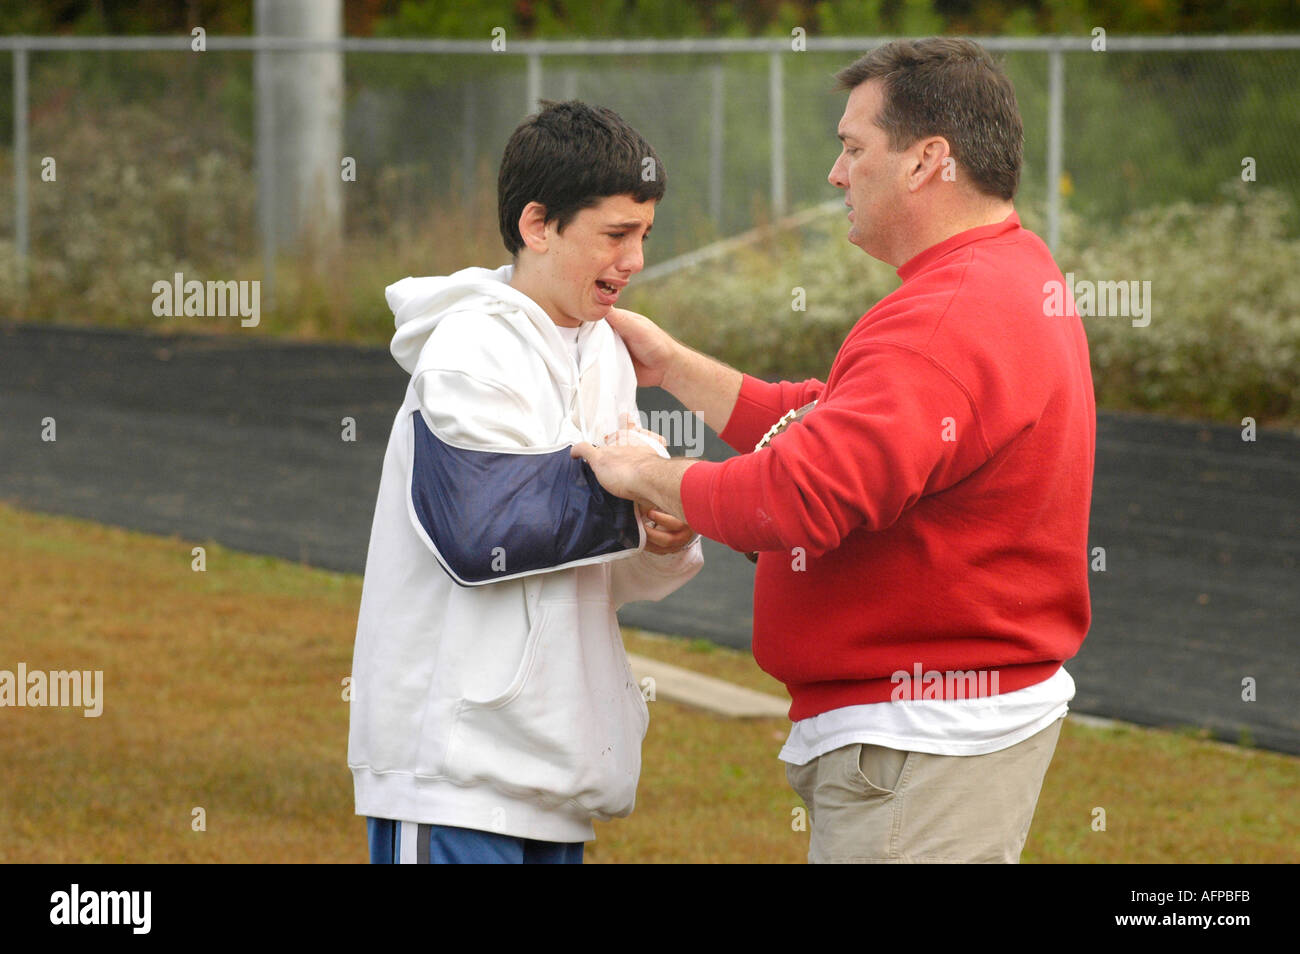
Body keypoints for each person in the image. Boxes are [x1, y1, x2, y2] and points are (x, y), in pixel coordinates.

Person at [573, 38, 1096, 863]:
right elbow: (837, 428)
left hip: (918, 748)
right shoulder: (1005, 273)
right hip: (939, 734)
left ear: (928, 161)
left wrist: (647, 474)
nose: (836, 173)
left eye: (854, 147)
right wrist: (676, 369)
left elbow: (800, 494)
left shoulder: (942, 319)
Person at [348, 100, 703, 864]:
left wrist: (665, 535)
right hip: (452, 772)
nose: (635, 260)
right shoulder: (469, 347)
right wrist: (646, 488)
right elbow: (484, 533)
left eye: (644, 235)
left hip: (554, 774)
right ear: (537, 225)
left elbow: (602, 570)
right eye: (615, 234)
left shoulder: (605, 350)